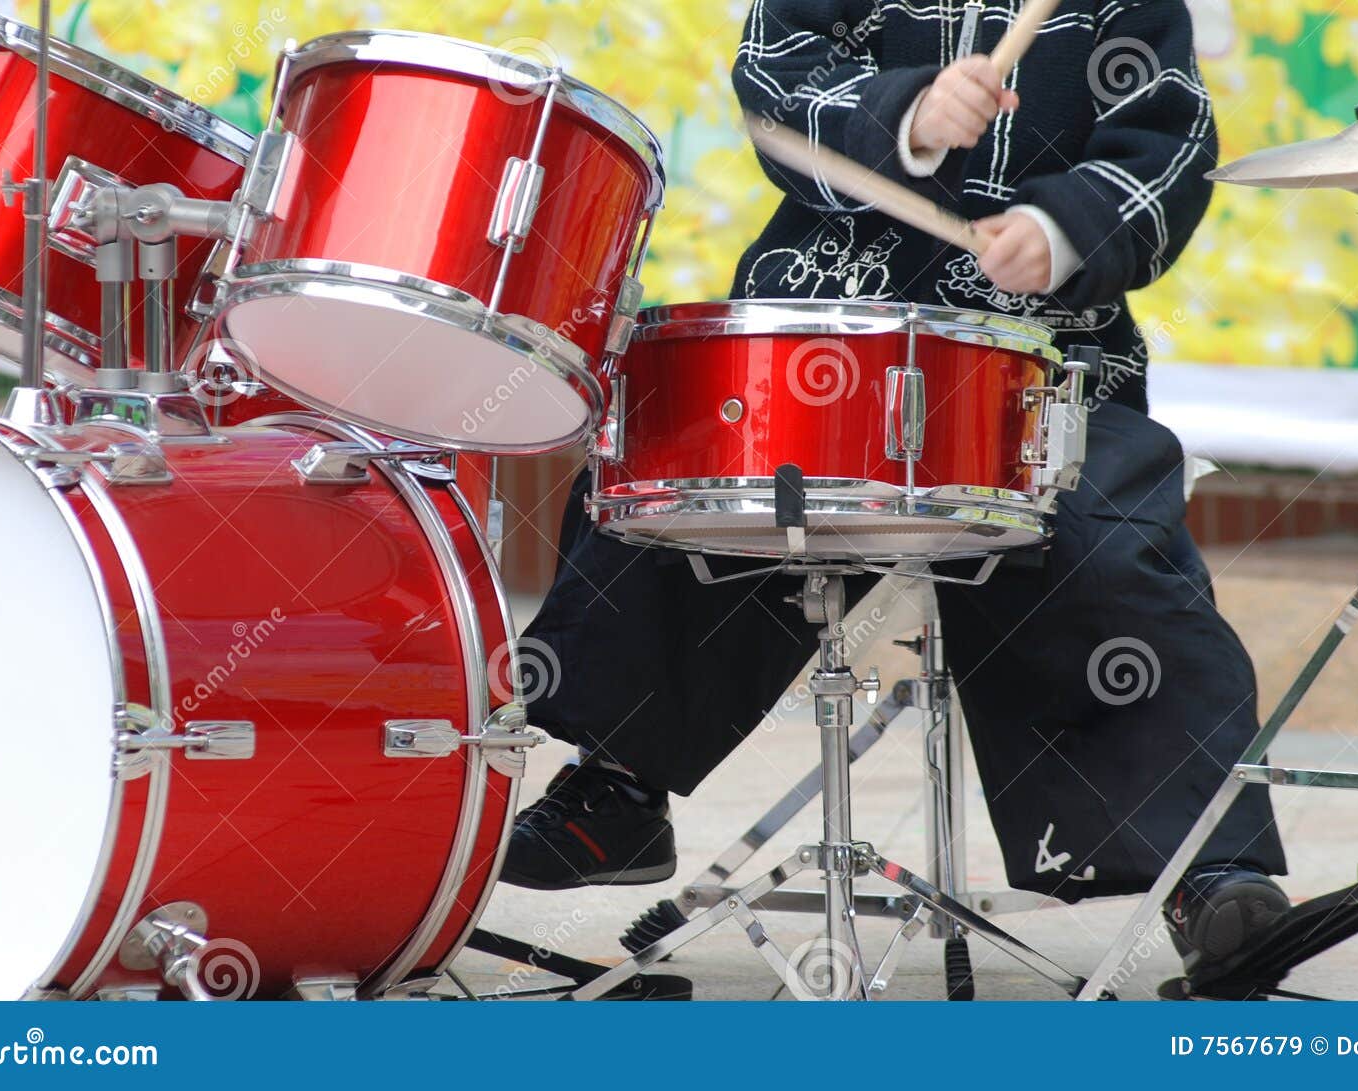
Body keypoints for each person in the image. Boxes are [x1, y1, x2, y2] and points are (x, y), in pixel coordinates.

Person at [501, 0, 1290, 980]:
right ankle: (617, 783)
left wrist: (1061, 226)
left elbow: (1166, 148)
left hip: (1043, 367)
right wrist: (908, 115)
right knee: (689, 481)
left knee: (1108, 540)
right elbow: (774, 88)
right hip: (824, 338)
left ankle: (1202, 861)